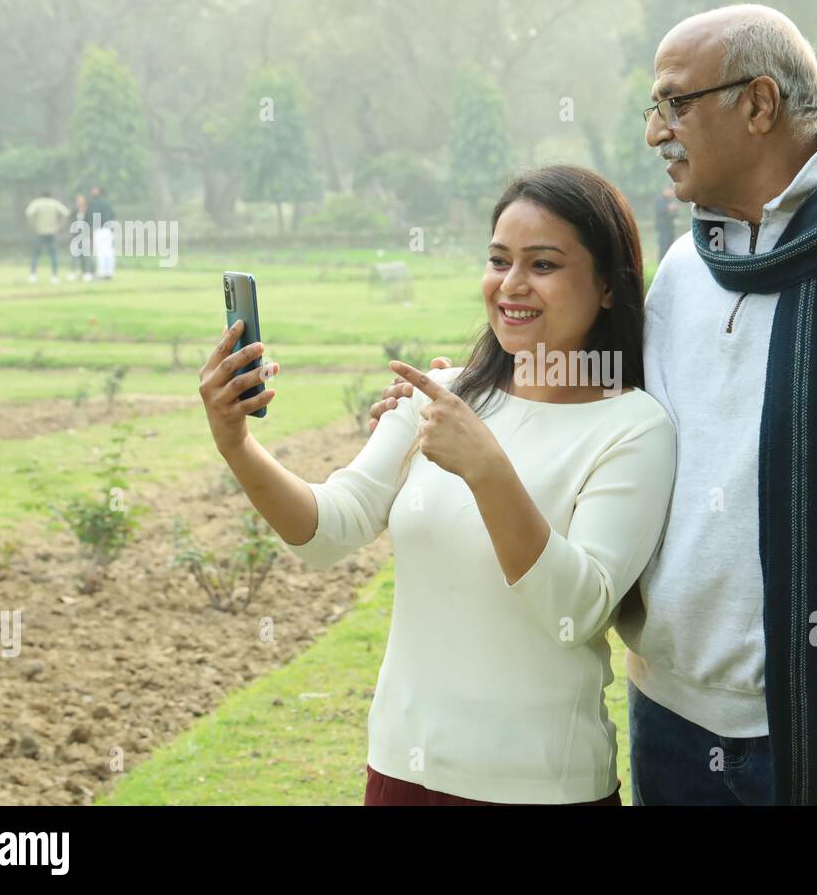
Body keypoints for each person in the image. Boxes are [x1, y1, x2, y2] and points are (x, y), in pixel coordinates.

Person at [372, 4, 817, 806]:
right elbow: (599, 407)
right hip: (670, 726)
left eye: (674, 103)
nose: (656, 132)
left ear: (759, 105)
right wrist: (465, 396)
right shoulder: (691, 268)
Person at [199, 165, 676, 805]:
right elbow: (329, 529)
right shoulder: (439, 395)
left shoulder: (634, 427)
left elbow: (576, 612)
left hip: (540, 787)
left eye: (543, 265)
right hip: (401, 771)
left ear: (610, 286)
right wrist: (236, 443)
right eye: (499, 260)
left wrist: (488, 471)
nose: (511, 284)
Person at [24, 191, 71, 284]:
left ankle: (33, 275)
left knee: (36, 254)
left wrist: (32, 224)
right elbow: (66, 213)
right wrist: (60, 225)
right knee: (53, 255)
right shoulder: (54, 203)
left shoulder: (37, 203)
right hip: (52, 232)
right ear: (50, 196)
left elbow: (28, 213)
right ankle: (54, 276)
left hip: (40, 231)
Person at [88, 185, 116, 280]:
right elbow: (113, 216)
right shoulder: (107, 203)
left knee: (101, 252)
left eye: (94, 191)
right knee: (109, 252)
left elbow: (92, 217)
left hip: (100, 230)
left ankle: (101, 273)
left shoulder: (95, 204)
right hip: (109, 230)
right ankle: (109, 273)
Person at [68, 193, 91, 281]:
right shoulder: (75, 211)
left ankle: (86, 273)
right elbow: (70, 218)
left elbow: (90, 223)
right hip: (76, 237)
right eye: (78, 202)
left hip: (85, 236)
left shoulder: (88, 211)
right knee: (74, 255)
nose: (80, 203)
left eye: (81, 202)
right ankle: (73, 273)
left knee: (86, 256)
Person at [653, 185, 677, 263]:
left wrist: (673, 211)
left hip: (670, 228)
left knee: (670, 246)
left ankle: (670, 263)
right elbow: (659, 210)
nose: (670, 192)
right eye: (668, 190)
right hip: (663, 228)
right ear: (664, 190)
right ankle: (661, 263)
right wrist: (668, 208)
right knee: (663, 247)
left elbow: (674, 215)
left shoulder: (670, 201)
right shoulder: (659, 200)